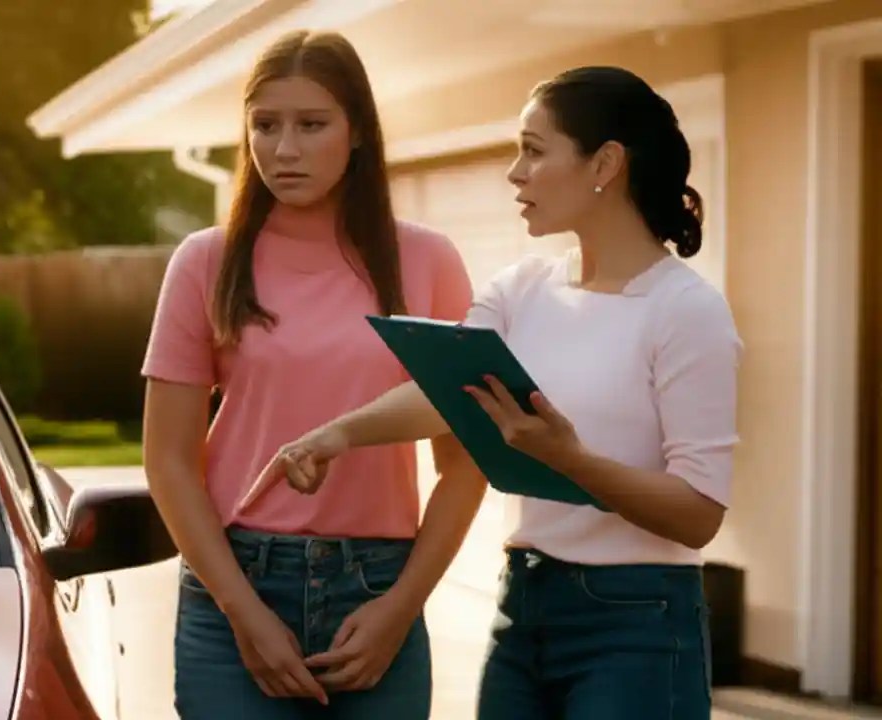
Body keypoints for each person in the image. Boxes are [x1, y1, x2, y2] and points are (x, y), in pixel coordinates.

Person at [241, 65, 742, 720]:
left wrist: (571, 460)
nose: (514, 173)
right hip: (524, 608)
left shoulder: (685, 311)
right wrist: (337, 434)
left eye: (533, 151)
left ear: (606, 163)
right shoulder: (522, 287)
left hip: (637, 623)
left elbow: (699, 512)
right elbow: (447, 392)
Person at [140, 28, 483, 720]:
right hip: (235, 587)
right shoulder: (205, 262)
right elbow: (169, 462)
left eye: (311, 124)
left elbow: (467, 461)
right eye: (264, 125)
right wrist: (244, 615)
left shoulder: (427, 262)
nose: (284, 148)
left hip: (379, 590)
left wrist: (399, 609)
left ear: (357, 131)